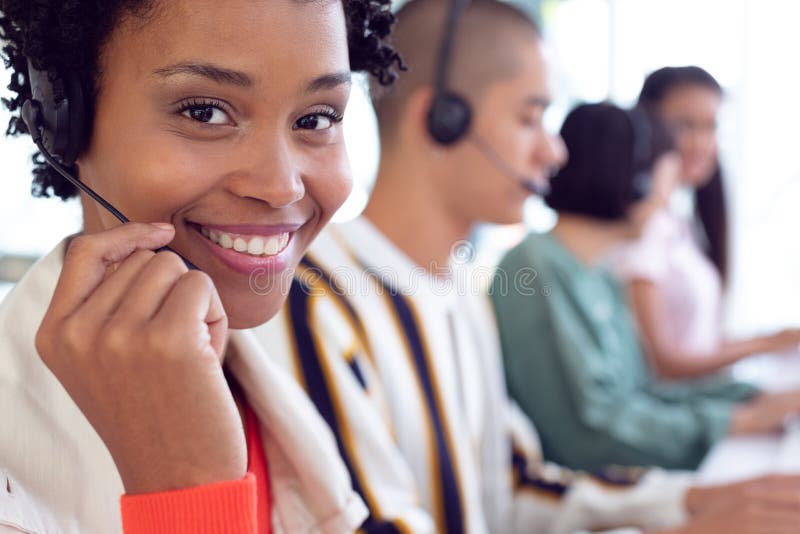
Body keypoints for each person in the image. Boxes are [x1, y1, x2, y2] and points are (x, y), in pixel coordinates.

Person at [255, 2, 800, 533]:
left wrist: (695, 500)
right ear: (442, 120)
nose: (555, 151)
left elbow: (517, 486)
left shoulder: (462, 292)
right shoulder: (312, 298)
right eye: (530, 117)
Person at [0, 0, 402, 532]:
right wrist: (188, 496)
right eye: (205, 112)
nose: (282, 185)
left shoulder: (283, 395)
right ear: (62, 119)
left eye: (316, 118)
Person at [493, 102, 800, 474]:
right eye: (666, 182)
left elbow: (642, 396)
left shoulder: (598, 274)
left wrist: (752, 397)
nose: (666, 200)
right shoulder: (534, 269)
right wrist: (735, 422)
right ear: (633, 180)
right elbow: (588, 436)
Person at [608, 66, 800, 380]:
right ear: (648, 127)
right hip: (679, 412)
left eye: (711, 126)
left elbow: (698, 344)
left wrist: (775, 340)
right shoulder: (643, 230)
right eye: (684, 125)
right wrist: (768, 344)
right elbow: (662, 362)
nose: (701, 142)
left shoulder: (676, 224)